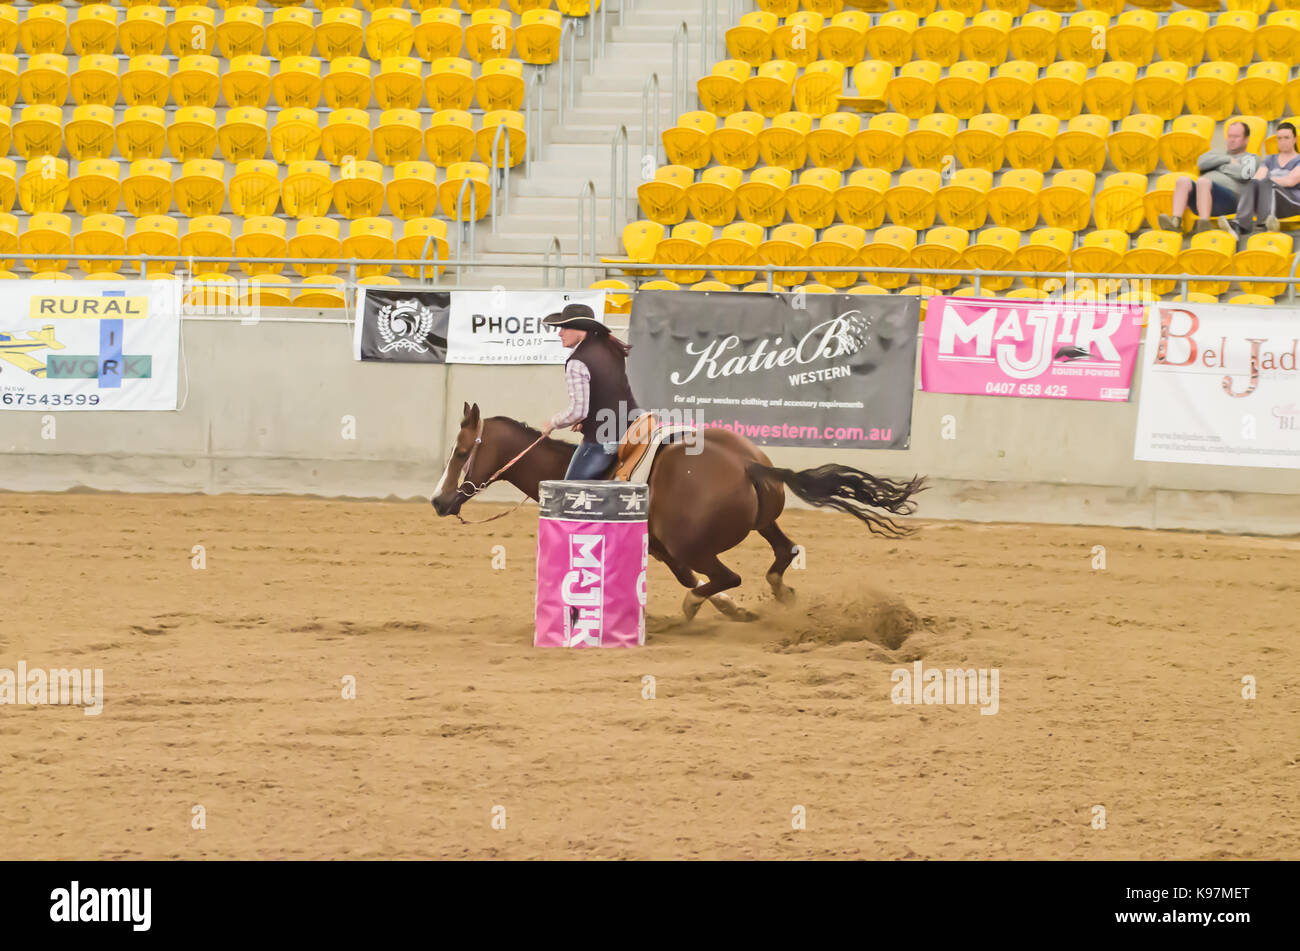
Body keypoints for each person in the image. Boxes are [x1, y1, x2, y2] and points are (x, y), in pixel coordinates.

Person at [540, 303, 643, 481]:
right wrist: (588, 420)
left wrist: (553, 423)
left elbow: (577, 411)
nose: (559, 333)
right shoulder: (610, 349)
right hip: (633, 425)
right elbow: (610, 393)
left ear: (580, 329)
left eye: (564, 327)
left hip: (606, 436)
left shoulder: (577, 361)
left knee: (571, 491)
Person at [1159, 120, 1257, 233]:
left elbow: (1244, 174)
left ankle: (1204, 223)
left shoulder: (1251, 158)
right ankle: (1175, 222)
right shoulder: (1216, 153)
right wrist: (1228, 160)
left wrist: (1216, 165)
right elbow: (1201, 163)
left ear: (1246, 139)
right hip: (1203, 197)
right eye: (1230, 136)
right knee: (1183, 181)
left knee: (1203, 182)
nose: (1232, 139)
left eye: (1236, 136)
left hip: (1230, 201)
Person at [1223, 121, 1300, 237]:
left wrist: (1268, 179)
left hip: (1292, 203)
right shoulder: (1270, 159)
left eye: (1286, 138)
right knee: (1253, 183)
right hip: (1269, 203)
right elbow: (1257, 179)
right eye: (1279, 138)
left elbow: (1290, 181)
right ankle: (1240, 225)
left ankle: (1266, 224)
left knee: (1267, 183)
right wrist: (1264, 181)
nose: (1283, 142)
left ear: (1294, 140)